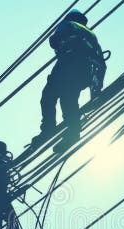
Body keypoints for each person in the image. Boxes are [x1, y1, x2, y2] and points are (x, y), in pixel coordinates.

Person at [34, 9, 107, 153]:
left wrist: (59, 44)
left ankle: (49, 129)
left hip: (67, 67)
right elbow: (101, 64)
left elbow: (54, 41)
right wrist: (96, 91)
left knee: (48, 97)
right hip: (84, 72)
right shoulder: (91, 35)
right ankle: (72, 132)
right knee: (69, 99)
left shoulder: (68, 24)